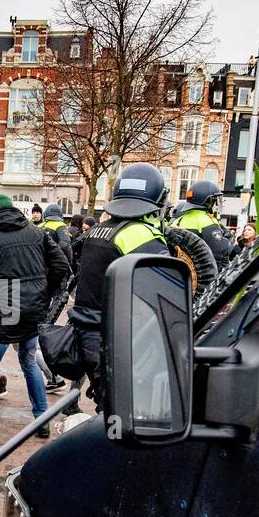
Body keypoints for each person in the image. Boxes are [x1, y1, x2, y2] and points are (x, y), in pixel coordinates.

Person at [0, 195, 70, 452]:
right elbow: (62, 266)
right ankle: (42, 422)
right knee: (29, 360)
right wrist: (43, 293)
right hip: (32, 310)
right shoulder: (36, 232)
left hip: (2, 311)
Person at [67, 163, 170, 408]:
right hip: (118, 337)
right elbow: (162, 289)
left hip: (86, 333)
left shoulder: (98, 231)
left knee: (107, 406)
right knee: (124, 410)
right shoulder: (142, 235)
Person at [170, 181, 236, 267]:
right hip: (202, 271)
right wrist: (229, 240)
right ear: (208, 201)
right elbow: (219, 253)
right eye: (215, 200)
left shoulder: (178, 221)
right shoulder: (207, 220)